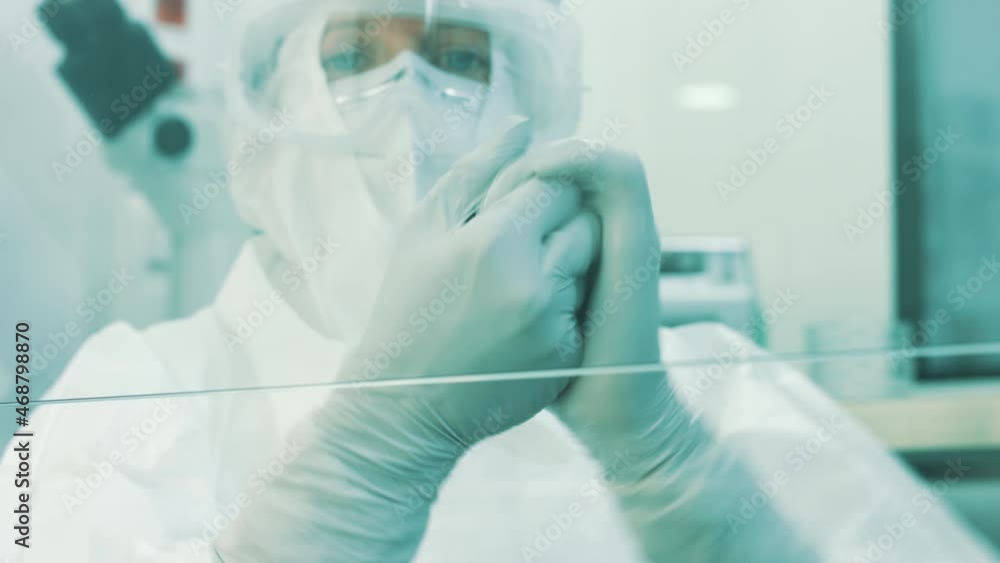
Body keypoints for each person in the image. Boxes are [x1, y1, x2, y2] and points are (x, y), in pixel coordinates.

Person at [5, 1, 997, 562]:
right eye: (354, 52)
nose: (408, 101)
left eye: (458, 58)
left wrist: (664, 462)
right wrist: (364, 461)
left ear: (535, 105)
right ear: (263, 129)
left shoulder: (698, 384)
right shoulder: (137, 385)